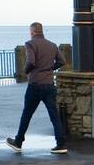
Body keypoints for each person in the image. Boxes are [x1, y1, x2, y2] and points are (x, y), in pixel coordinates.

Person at [7, 22, 69, 154]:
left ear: (32, 32)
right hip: (49, 84)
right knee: (54, 115)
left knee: (27, 114)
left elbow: (31, 61)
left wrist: (26, 71)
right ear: (41, 31)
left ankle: (18, 142)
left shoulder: (30, 44)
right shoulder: (52, 45)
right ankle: (61, 144)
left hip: (35, 85)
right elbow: (62, 61)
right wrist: (50, 68)